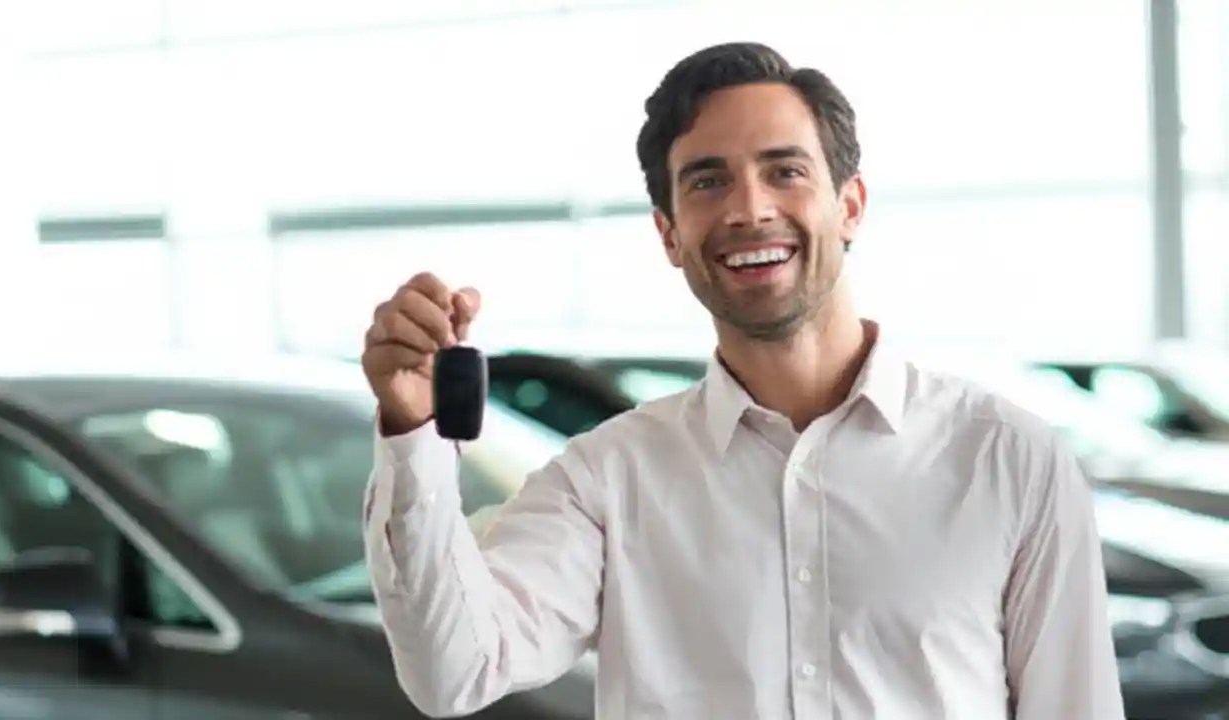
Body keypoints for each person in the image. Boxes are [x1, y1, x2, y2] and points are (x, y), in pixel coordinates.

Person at [360, 42, 1125, 720]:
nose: (749, 209)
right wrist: (411, 436)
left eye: (785, 171)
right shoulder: (608, 479)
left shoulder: (1008, 459)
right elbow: (452, 671)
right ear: (668, 234)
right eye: (707, 182)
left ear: (849, 205)